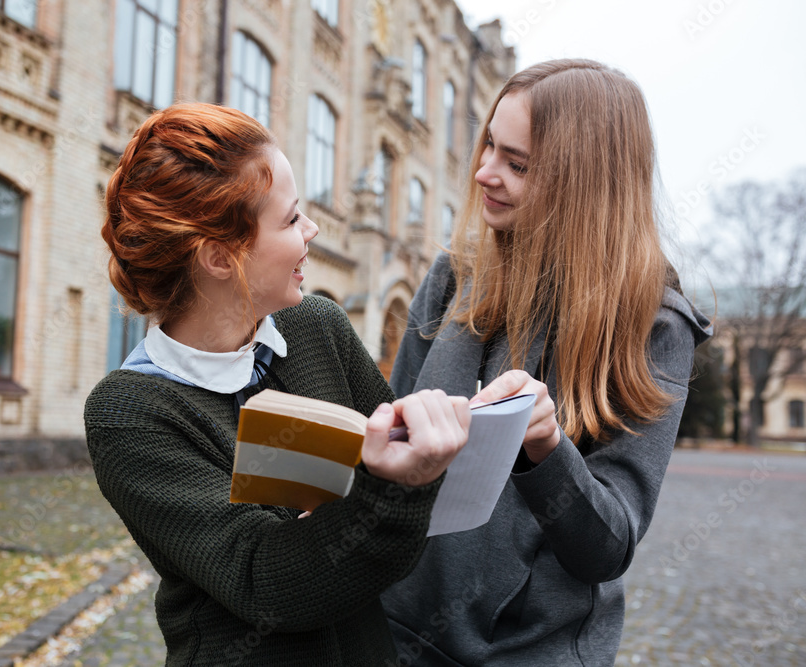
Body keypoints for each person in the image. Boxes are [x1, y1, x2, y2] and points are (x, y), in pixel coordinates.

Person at [84, 102, 473, 666]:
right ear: (221, 257)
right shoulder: (130, 413)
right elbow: (265, 581)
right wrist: (389, 491)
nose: (312, 230)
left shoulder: (318, 326)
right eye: (291, 220)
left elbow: (399, 485)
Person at [380, 59, 713, 666]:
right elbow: (388, 446)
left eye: (518, 164)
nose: (484, 173)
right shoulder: (453, 277)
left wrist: (546, 447)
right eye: (488, 148)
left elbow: (607, 547)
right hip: (394, 635)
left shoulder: (656, 327)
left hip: (532, 653)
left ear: (586, 184)